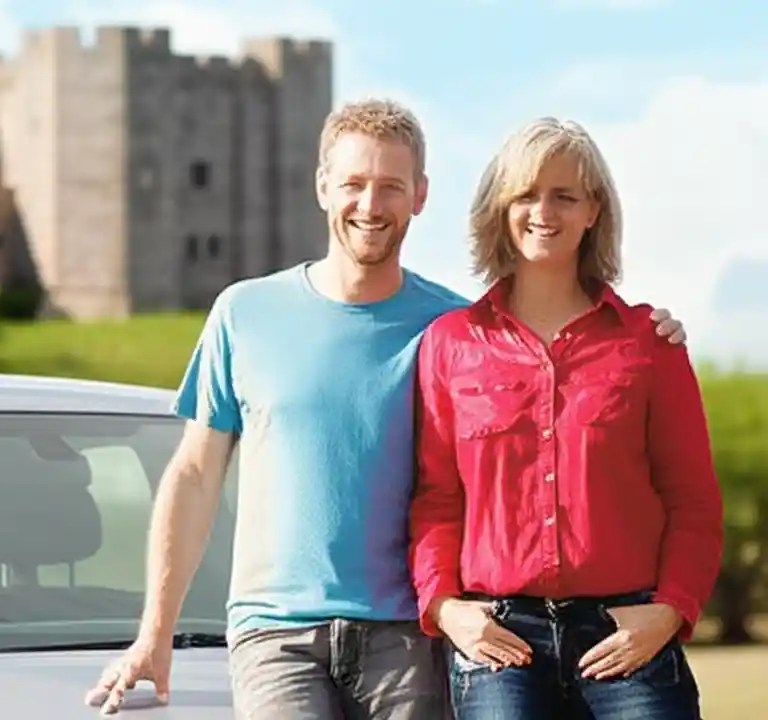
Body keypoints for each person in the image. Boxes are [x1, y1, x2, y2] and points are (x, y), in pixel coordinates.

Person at [83, 99, 687, 719]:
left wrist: (650, 329)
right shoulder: (243, 313)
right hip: (275, 633)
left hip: (406, 634)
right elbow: (194, 474)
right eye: (353, 184)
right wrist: (154, 634)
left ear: (419, 196)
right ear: (323, 186)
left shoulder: (457, 330)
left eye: (390, 187)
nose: (370, 206)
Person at [408, 117, 722, 719]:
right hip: (499, 645)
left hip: (627, 639)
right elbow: (437, 499)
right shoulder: (451, 344)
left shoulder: (649, 345)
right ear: (500, 207)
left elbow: (693, 502)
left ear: (593, 211)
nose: (542, 211)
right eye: (525, 194)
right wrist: (446, 607)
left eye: (564, 195)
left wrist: (669, 611)